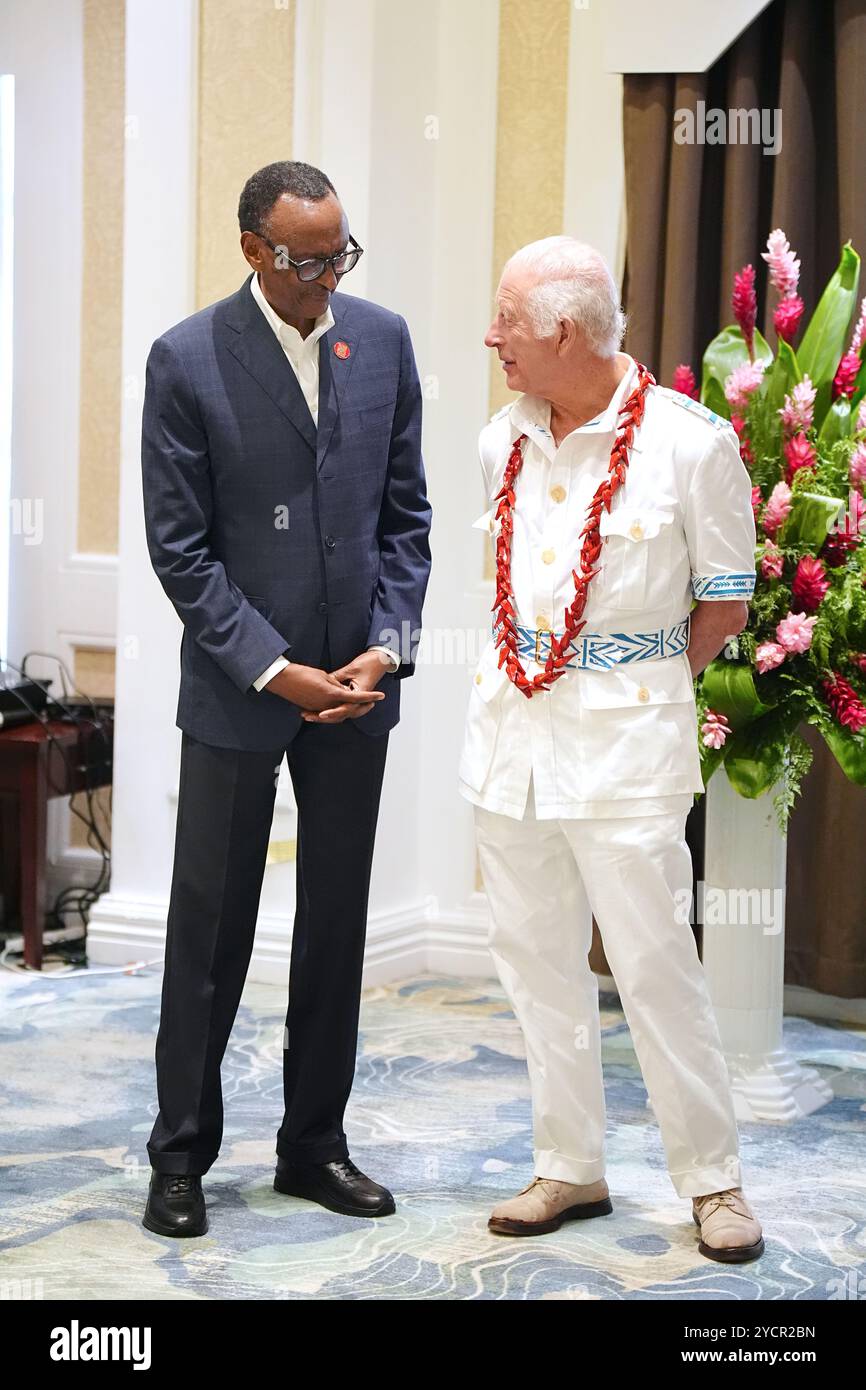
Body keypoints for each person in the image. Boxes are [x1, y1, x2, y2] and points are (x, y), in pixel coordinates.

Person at [140, 160, 431, 1237]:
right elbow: (182, 552)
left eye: (339, 252)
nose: (327, 274)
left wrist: (384, 651)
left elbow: (407, 519)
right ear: (255, 250)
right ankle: (179, 1156)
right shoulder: (184, 359)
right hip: (238, 691)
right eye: (308, 257)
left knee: (335, 925)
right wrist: (273, 666)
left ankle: (314, 1145)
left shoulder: (384, 340)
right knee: (208, 929)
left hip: (357, 690)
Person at [459, 235, 764, 1263]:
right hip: (511, 741)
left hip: (625, 747)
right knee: (534, 962)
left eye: (506, 319)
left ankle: (710, 1181)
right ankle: (568, 1163)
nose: (490, 336)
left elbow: (722, 599)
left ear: (560, 330)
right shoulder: (499, 437)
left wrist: (627, 676)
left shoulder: (689, 442)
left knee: (651, 967)